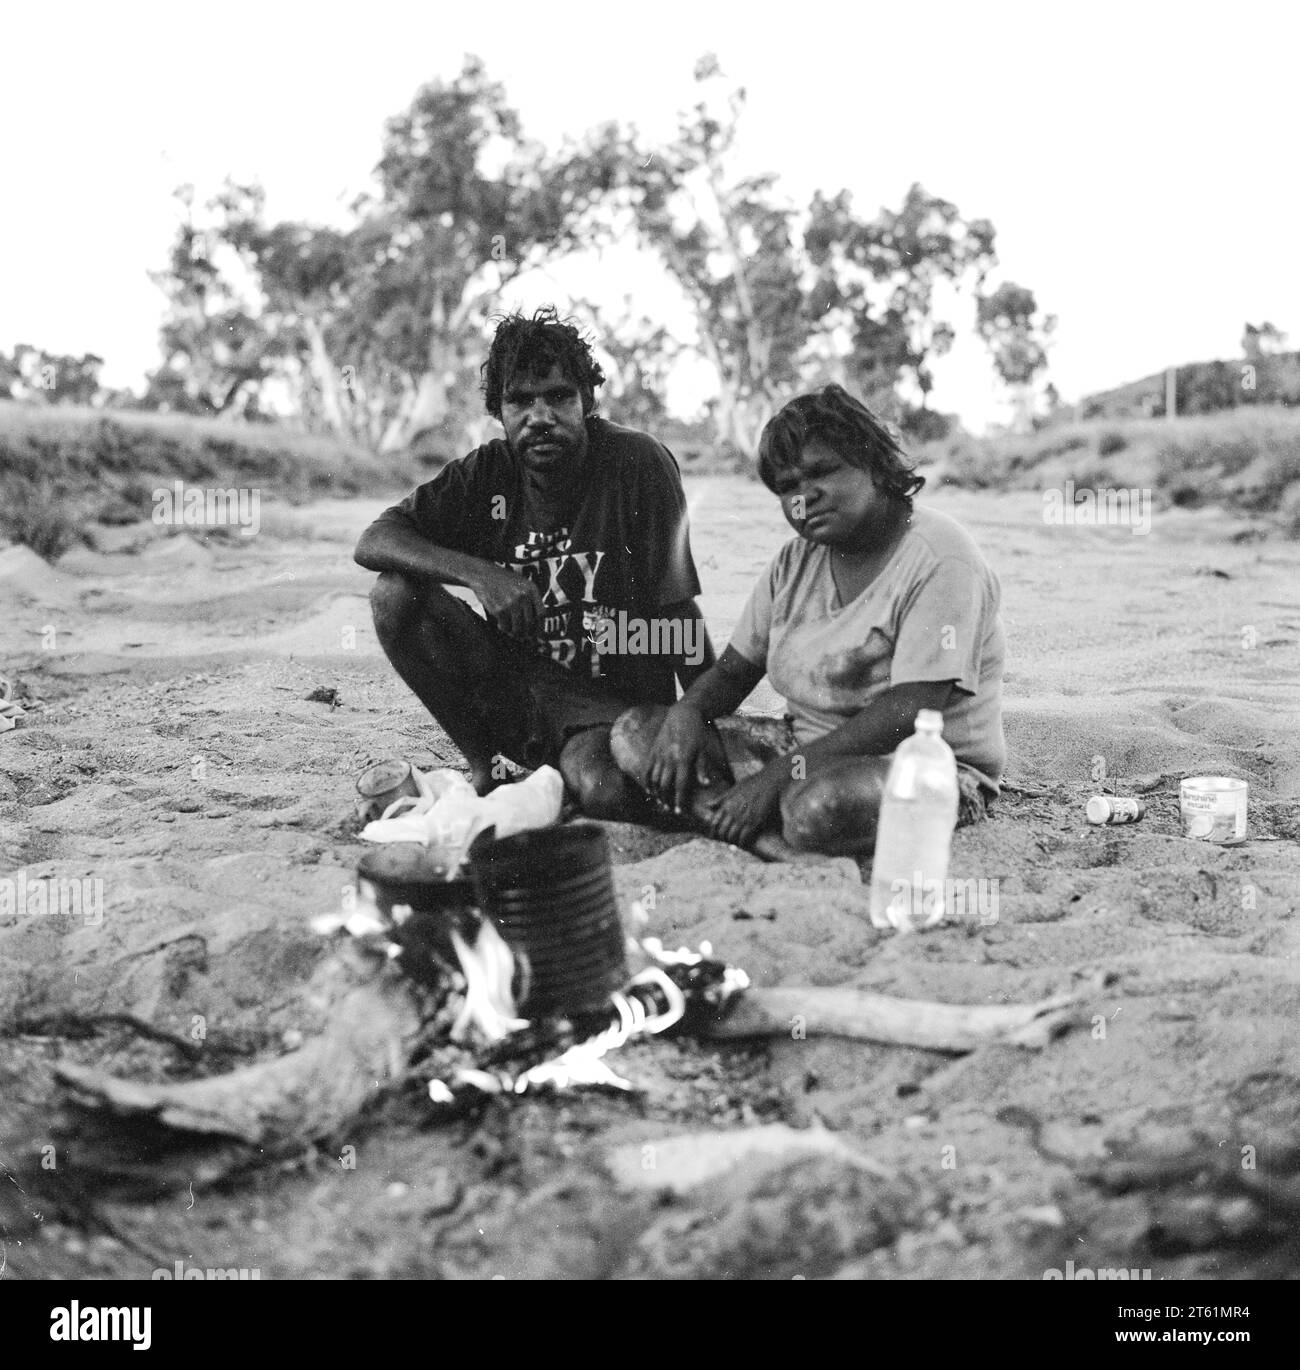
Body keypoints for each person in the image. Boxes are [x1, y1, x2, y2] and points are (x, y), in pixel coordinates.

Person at [608, 384, 1006, 858]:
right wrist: (687, 712)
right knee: (637, 734)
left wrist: (776, 778)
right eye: (787, 487)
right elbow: (734, 672)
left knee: (818, 808)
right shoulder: (794, 563)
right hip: (802, 749)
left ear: (875, 464)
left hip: (924, 765)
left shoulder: (941, 558)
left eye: (821, 473)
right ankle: (753, 832)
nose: (803, 498)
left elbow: (910, 710)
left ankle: (750, 827)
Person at [355, 307, 716, 812]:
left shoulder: (637, 464)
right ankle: (486, 766)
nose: (539, 417)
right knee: (394, 594)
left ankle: (570, 770)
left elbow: (677, 613)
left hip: (605, 706)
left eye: (558, 396)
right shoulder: (487, 473)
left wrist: (705, 717)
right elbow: (375, 539)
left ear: (586, 400)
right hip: (513, 691)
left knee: (606, 792)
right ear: (499, 412)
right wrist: (481, 574)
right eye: (520, 401)